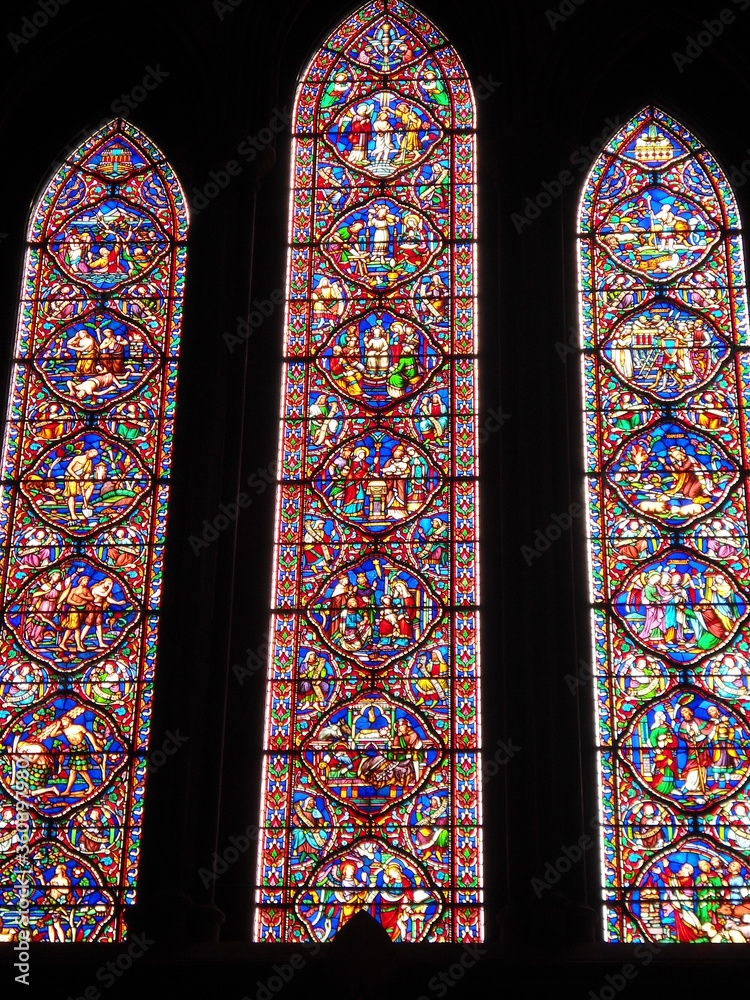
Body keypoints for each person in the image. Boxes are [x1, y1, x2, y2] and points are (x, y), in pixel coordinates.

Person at [64, 447, 99, 522]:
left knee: (91, 485)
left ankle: (85, 504)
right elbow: (69, 468)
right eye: (92, 453)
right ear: (89, 451)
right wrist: (76, 477)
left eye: (94, 456)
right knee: (71, 495)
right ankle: (73, 514)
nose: (92, 456)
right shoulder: (77, 458)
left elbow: (87, 472)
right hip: (71, 477)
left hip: (81, 478)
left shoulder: (89, 461)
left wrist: (84, 480)